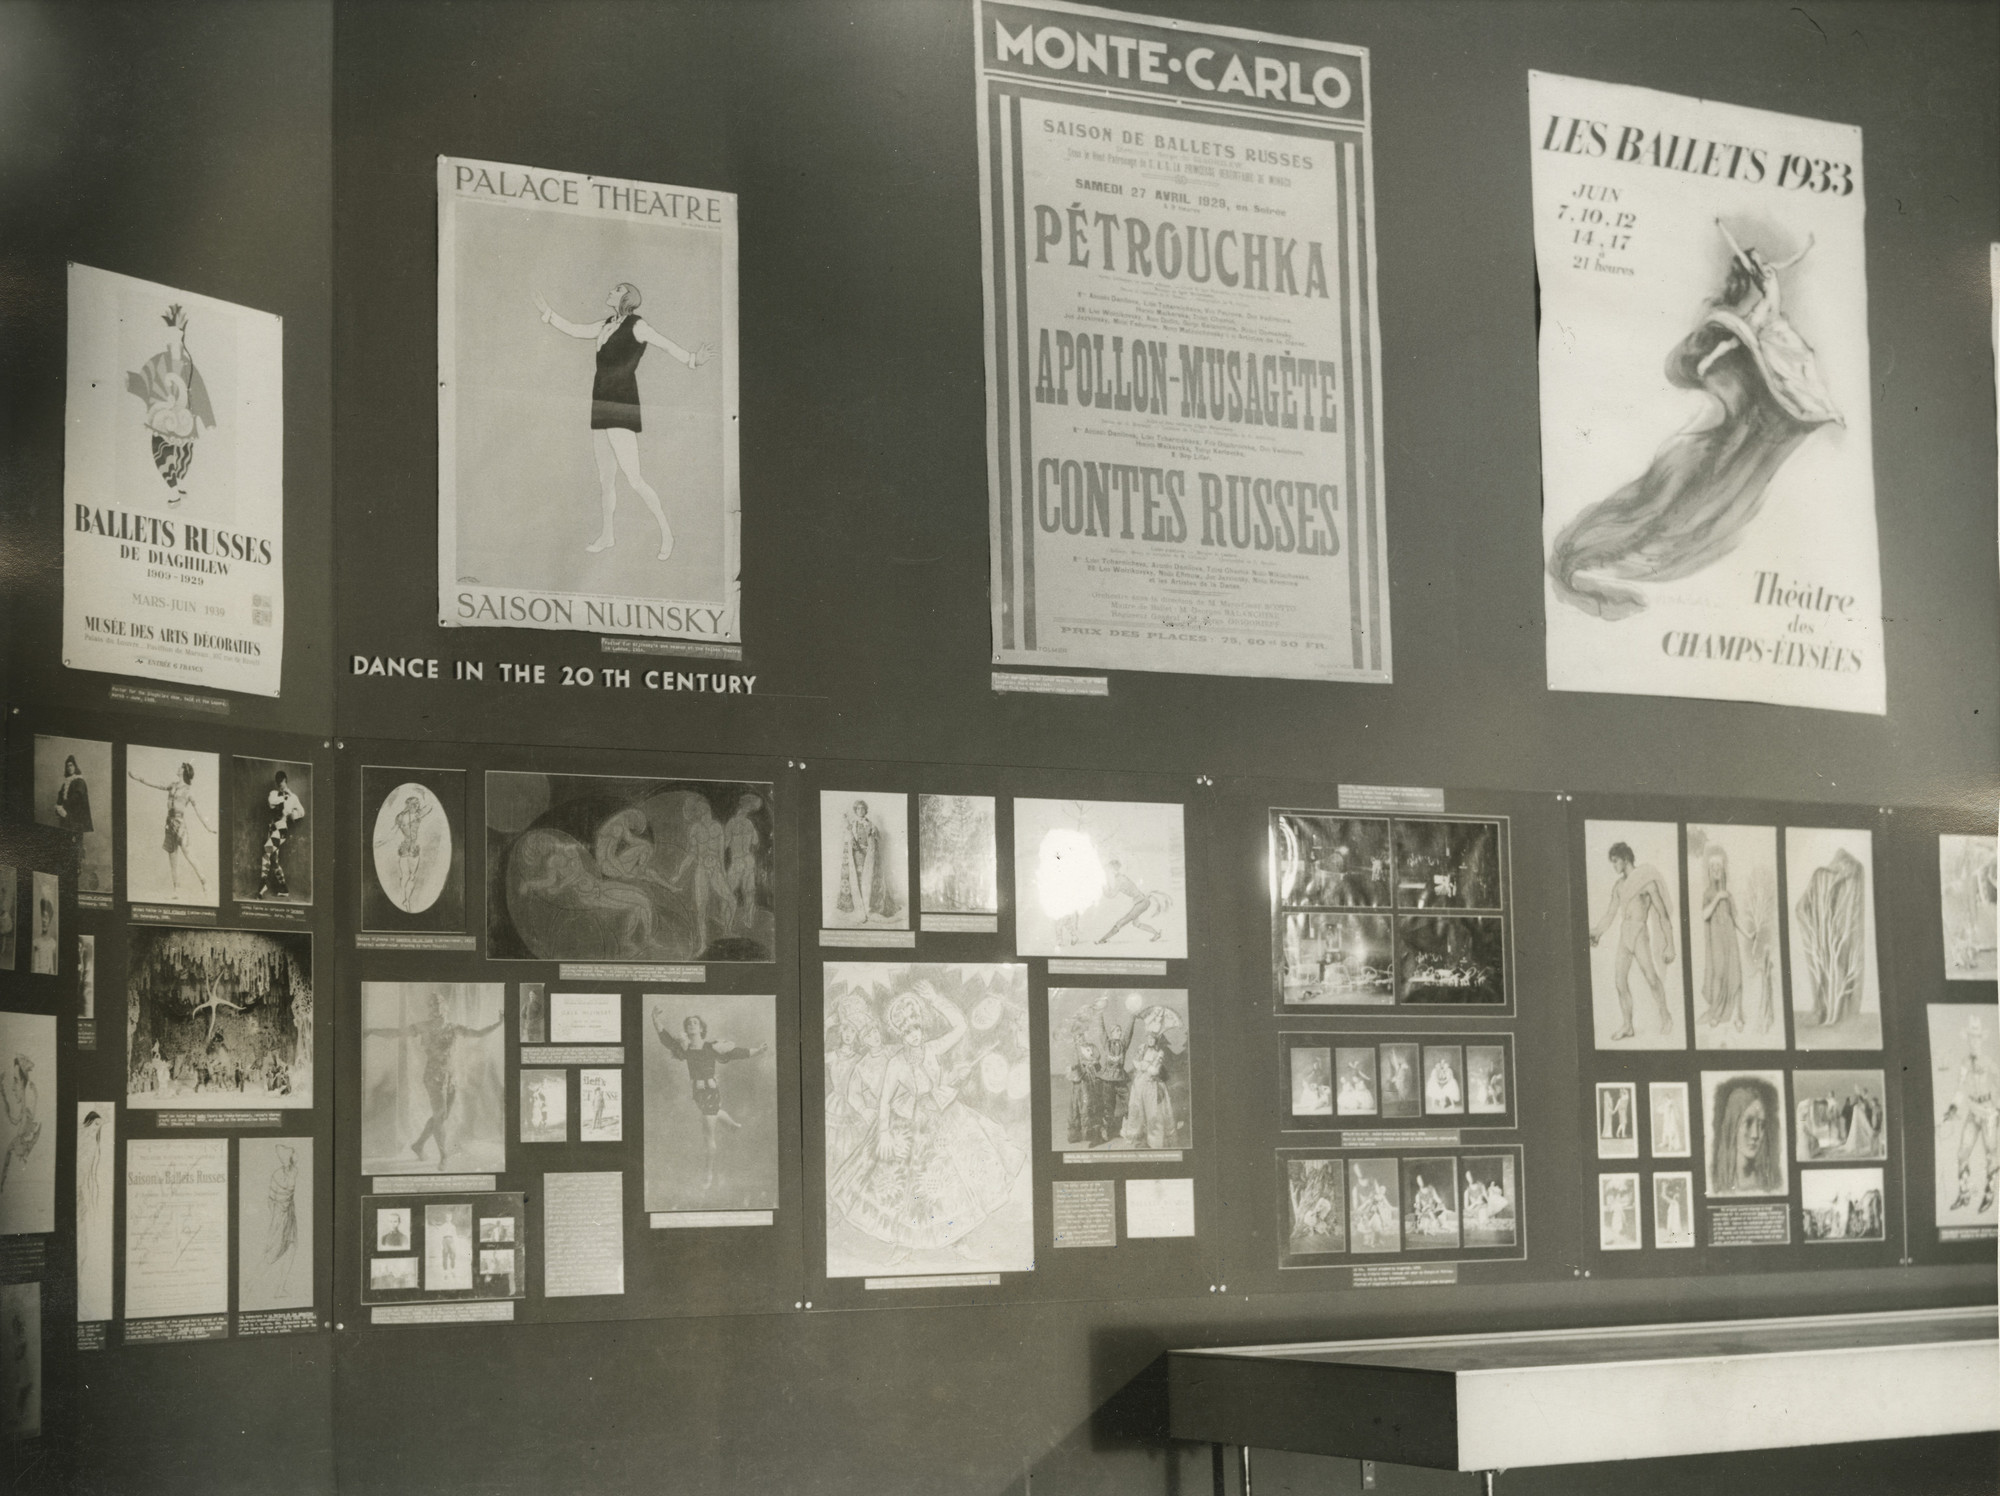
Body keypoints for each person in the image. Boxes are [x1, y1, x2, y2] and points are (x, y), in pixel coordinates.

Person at [1547, 223, 1837, 619]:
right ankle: (1582, 563)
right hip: (1708, 438)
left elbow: (1758, 328)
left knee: (1668, 507)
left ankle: (1586, 562)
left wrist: (1768, 291)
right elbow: (1748, 332)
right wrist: (1769, 293)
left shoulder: (1732, 325)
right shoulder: (1725, 326)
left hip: (1713, 436)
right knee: (1662, 506)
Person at [826, 982, 1023, 1265]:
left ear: (921, 1027)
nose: (913, 1033)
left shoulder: (932, 1048)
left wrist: (936, 999)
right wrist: (883, 1133)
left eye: (916, 1025)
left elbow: (961, 1028)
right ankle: (903, 1245)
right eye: (906, 1029)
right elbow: (884, 1101)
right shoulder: (896, 1062)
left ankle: (957, 1238)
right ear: (899, 1033)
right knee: (908, 1188)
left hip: (944, 1119)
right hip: (908, 1125)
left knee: (952, 1182)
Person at [533, 282, 713, 560]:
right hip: (601, 402)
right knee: (606, 479)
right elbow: (575, 329)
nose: (610, 291)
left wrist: (692, 360)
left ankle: (667, 533)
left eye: (616, 290)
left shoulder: (637, 326)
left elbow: (663, 344)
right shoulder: (606, 324)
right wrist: (547, 312)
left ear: (627, 297)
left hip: (622, 404)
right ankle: (607, 535)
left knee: (634, 478)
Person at [363, 992, 502, 1170]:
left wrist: (499, 1023)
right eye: (432, 1006)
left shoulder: (453, 1027)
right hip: (433, 1077)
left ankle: (419, 1145)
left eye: (438, 1004)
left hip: (451, 1077)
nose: (435, 1008)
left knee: (442, 1116)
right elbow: (397, 1033)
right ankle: (444, 1156)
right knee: (439, 1115)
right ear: (429, 1010)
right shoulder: (424, 1027)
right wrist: (373, 1031)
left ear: (445, 1006)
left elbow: (478, 1033)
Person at [653, 1010, 767, 1190]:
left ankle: (708, 1174)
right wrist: (655, 1019)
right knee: (712, 1115)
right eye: (689, 1023)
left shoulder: (711, 1047)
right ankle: (732, 1126)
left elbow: (737, 1052)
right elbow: (666, 1040)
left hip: (711, 1092)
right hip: (698, 1094)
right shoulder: (686, 1048)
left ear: (701, 1029)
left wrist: (758, 1051)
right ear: (687, 1030)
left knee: (708, 1135)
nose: (691, 1025)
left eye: (695, 1023)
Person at [127, 302, 215, 500]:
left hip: (185, 421)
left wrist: (208, 421)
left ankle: (180, 484)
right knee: (163, 454)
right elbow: (143, 380)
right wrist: (128, 382)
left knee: (184, 456)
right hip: (161, 420)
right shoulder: (158, 361)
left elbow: (199, 391)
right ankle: (172, 488)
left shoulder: (188, 366)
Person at [1589, 841, 1676, 1039]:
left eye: (1615, 861)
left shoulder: (1646, 881)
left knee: (1651, 978)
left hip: (1639, 933)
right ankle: (1628, 1026)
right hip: (1624, 934)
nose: (1614, 866)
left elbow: (1663, 915)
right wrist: (1597, 932)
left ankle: (1666, 1016)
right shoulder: (1619, 886)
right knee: (1619, 981)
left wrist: (1670, 945)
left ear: (1625, 859)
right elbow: (1610, 913)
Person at [129, 760, 212, 896]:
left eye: (181, 767)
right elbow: (156, 784)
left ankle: (205, 883)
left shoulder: (188, 791)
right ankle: (177, 889)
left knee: (190, 856)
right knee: (173, 859)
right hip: (169, 823)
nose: (178, 768)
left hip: (180, 825)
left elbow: (199, 810)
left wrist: (207, 826)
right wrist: (139, 779)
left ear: (184, 771)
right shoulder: (172, 785)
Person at [1942, 1016, 1998, 1214]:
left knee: (1991, 1153)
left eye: (1977, 1038)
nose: (1973, 1042)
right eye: (1970, 1038)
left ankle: (1989, 1194)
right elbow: (1960, 1088)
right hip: (1973, 1111)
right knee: (1962, 1153)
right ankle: (1964, 1193)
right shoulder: (1965, 1062)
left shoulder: (1989, 1061)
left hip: (1989, 1112)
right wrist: (1953, 1108)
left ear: (1981, 1040)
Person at [667, 798, 734, 954]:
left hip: (716, 869)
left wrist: (723, 873)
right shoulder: (695, 829)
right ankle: (703, 944)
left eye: (706, 811)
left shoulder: (718, 827)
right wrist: (678, 874)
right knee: (701, 909)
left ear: (708, 810)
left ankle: (727, 930)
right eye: (701, 812)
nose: (704, 814)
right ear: (699, 814)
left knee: (732, 901)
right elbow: (691, 854)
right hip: (702, 870)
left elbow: (720, 854)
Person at [1697, 843, 1746, 1031]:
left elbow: (1736, 918)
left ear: (1724, 869)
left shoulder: (1730, 895)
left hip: (1731, 941)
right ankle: (1716, 1013)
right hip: (1716, 942)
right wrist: (1718, 897)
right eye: (1713, 867)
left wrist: (1749, 934)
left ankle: (1738, 1015)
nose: (1716, 870)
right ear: (1709, 871)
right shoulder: (1709, 894)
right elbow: (1704, 915)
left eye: (1719, 866)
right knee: (1718, 975)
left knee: (1736, 976)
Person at [1708, 1076, 1782, 1194]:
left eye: (1761, 1125)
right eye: (1748, 1123)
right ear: (1733, 1126)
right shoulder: (1717, 1182)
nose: (1755, 1135)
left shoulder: (1769, 1183)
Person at [834, 800, 900, 925]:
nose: (860, 811)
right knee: (857, 879)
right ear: (855, 811)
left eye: (862, 809)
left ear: (865, 810)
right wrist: (850, 837)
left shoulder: (870, 824)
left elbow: (877, 838)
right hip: (856, 856)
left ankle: (868, 906)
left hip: (867, 856)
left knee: (867, 880)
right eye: (858, 809)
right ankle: (859, 906)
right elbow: (848, 840)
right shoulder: (852, 824)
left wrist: (874, 835)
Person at [258, 769, 307, 899]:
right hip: (272, 829)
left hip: (281, 830)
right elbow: (271, 802)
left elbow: (302, 812)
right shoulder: (273, 793)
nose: (280, 784)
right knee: (274, 861)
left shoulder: (293, 797)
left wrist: (293, 815)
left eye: (282, 782)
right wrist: (284, 797)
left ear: (286, 781)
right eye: (278, 782)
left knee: (266, 851)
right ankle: (284, 889)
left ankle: (263, 883)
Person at [1097, 858, 1170, 944]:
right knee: (1136, 924)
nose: (1107, 872)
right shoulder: (1120, 878)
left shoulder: (1119, 880)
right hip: (1142, 901)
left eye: (1108, 870)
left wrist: (1103, 887)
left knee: (1120, 923)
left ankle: (1102, 940)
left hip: (1141, 902)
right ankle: (1156, 934)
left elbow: (1111, 895)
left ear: (1113, 870)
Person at [380, 793, 432, 909]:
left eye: (417, 804)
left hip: (413, 849)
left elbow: (429, 807)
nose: (417, 806)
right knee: (405, 876)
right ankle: (404, 899)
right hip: (406, 848)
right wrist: (382, 842)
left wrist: (423, 795)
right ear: (409, 805)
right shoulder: (402, 817)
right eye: (415, 804)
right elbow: (392, 832)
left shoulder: (417, 815)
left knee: (411, 876)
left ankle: (407, 900)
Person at [722, 794, 764, 934]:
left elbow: (725, 844)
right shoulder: (749, 824)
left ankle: (727, 926)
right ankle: (748, 920)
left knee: (728, 893)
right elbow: (755, 842)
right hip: (748, 860)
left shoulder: (731, 823)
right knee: (749, 892)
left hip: (737, 861)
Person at [0, 1056, 40, 1196]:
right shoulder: (25, 1110)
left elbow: (25, 1125)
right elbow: (14, 1120)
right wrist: (2, 1094)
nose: (12, 1088)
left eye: (16, 1081)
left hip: (21, 1153)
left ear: (24, 1083)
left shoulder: (29, 1109)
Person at [264, 1145, 299, 1282]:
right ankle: (251, 1282)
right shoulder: (285, 1174)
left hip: (288, 1212)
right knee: (274, 1251)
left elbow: (273, 1198)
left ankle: (280, 1287)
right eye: (292, 1154)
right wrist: (277, 1214)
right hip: (282, 1213)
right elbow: (273, 1198)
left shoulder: (290, 1172)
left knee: (292, 1247)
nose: (295, 1157)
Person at [53, 754, 93, 835]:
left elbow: (77, 797)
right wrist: (59, 807)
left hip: (76, 816)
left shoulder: (79, 781)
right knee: (65, 838)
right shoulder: (66, 782)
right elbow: (60, 795)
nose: (69, 768)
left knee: (76, 840)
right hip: (65, 815)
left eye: (71, 765)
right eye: (67, 766)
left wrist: (63, 806)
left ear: (75, 766)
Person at [29, 898, 56, 977]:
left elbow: (51, 964)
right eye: (42, 917)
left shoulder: (52, 943)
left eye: (46, 917)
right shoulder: (36, 942)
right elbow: (36, 965)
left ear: (50, 920)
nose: (44, 920)